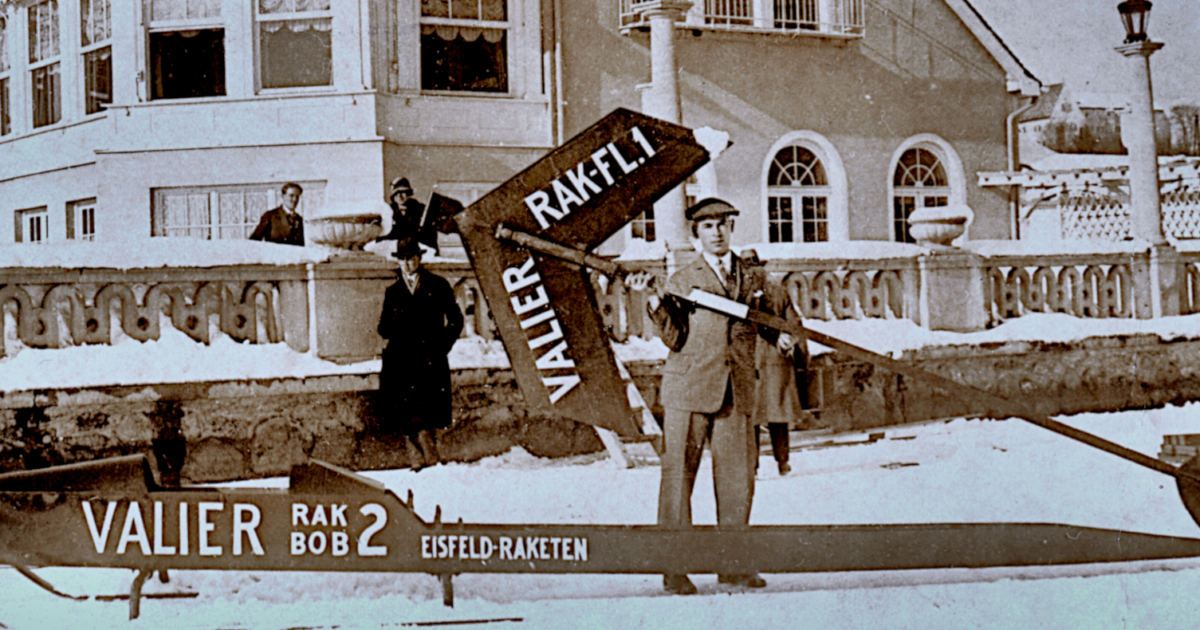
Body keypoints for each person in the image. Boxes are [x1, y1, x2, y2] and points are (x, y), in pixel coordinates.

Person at [627, 198, 797, 596]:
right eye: (708, 226)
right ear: (696, 234)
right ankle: (674, 567)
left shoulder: (753, 278)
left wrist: (783, 335)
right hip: (688, 388)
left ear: (731, 228)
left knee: (738, 479)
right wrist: (652, 302)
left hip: (738, 389)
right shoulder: (683, 279)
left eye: (723, 224)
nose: (717, 232)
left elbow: (773, 318)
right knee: (678, 480)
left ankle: (733, 564)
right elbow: (674, 337)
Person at [376, 237, 464, 470]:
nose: (407, 264)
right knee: (404, 411)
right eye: (402, 260)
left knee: (427, 409)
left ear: (419, 258)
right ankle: (416, 456)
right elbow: (383, 328)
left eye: (411, 258)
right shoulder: (393, 292)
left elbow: (456, 320)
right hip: (401, 360)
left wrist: (442, 345)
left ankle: (428, 455)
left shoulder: (438, 285)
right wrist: (395, 322)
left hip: (429, 358)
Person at [752, 273, 814, 477]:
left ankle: (753, 466)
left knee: (752, 418)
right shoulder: (779, 293)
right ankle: (782, 462)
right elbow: (795, 325)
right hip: (774, 361)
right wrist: (790, 343)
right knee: (776, 416)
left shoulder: (739, 294)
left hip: (754, 362)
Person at [379, 177, 439, 255]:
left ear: (408, 193)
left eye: (402, 192)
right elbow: (383, 236)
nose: (399, 196)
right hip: (396, 253)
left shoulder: (422, 210)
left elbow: (431, 236)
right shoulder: (387, 212)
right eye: (396, 193)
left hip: (419, 253)